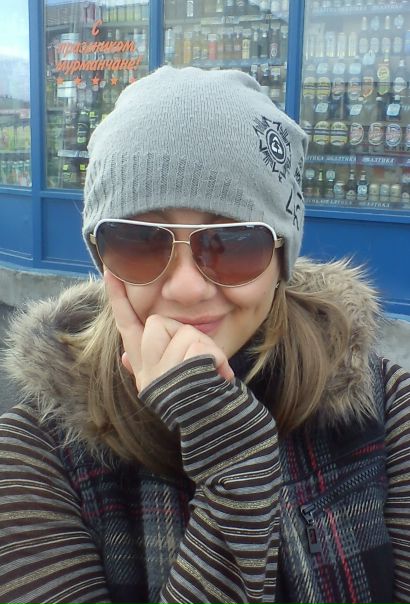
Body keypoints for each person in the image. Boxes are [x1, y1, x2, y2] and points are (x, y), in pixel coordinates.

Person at [0, 66, 409, 604]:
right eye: (140, 242)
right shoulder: (34, 456)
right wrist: (234, 469)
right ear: (102, 257)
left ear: (281, 259)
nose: (188, 289)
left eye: (233, 242)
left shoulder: (386, 407)